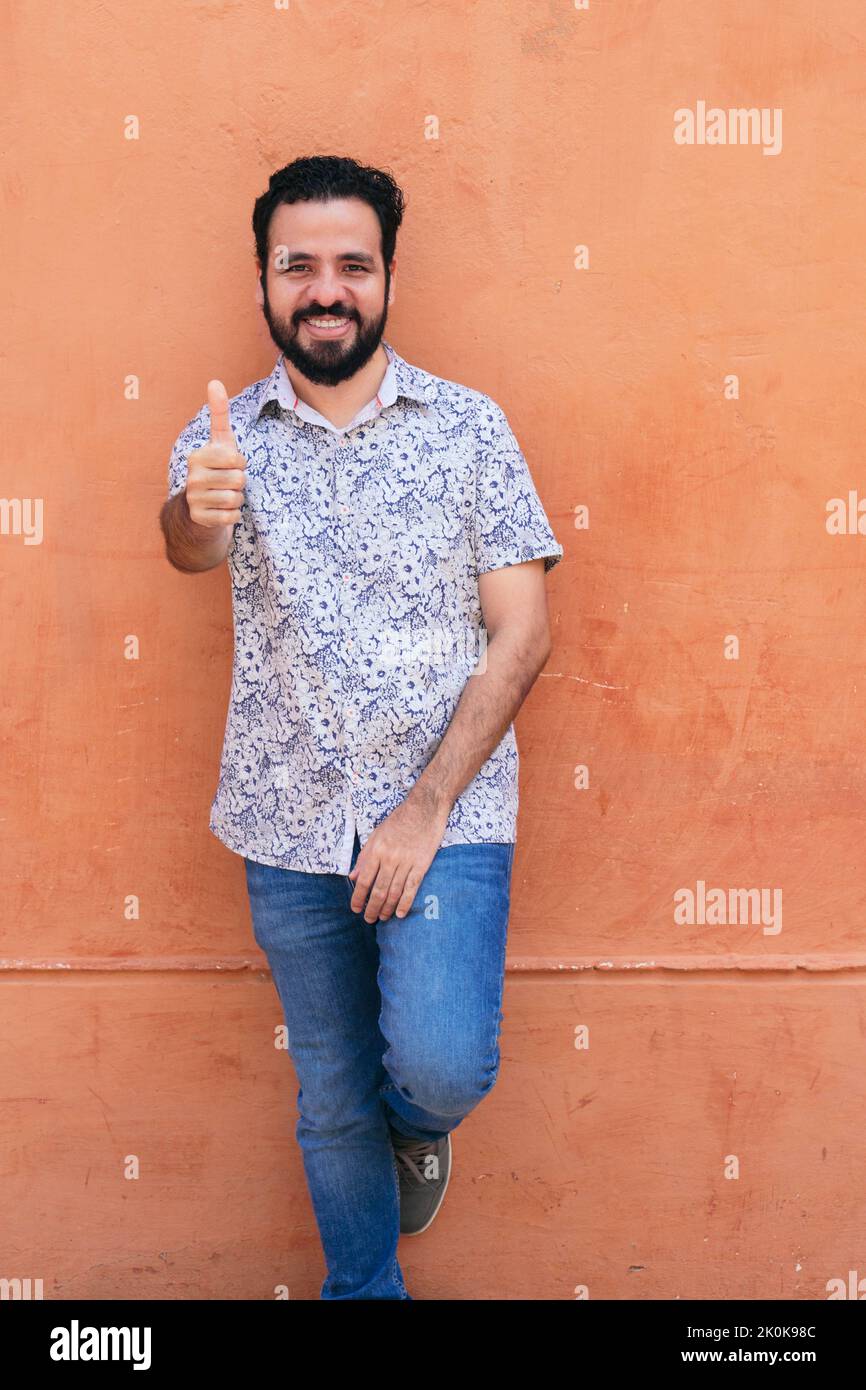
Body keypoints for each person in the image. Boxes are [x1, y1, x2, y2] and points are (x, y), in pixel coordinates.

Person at [159, 154, 564, 1300]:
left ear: (387, 277)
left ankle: (419, 1126)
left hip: (448, 812)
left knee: (436, 1066)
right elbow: (189, 542)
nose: (324, 288)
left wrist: (422, 810)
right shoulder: (224, 441)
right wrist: (198, 507)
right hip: (286, 821)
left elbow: (523, 632)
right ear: (263, 285)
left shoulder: (468, 428)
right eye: (298, 266)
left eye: (351, 264)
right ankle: (363, 1292)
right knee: (329, 1088)